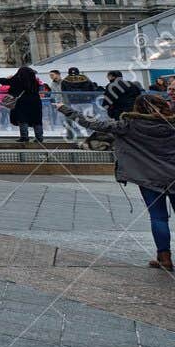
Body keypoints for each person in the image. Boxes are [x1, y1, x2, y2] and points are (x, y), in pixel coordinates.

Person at [57, 93, 175, 270]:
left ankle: (164, 258)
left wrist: (64, 109)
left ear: (137, 108)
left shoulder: (128, 125)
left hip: (148, 178)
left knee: (158, 217)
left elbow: (92, 123)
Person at [6, 64, 44, 142]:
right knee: (37, 120)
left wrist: (11, 78)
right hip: (35, 102)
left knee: (22, 119)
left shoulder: (17, 81)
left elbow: (6, 85)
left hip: (22, 102)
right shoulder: (35, 81)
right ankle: (39, 137)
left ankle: (24, 137)